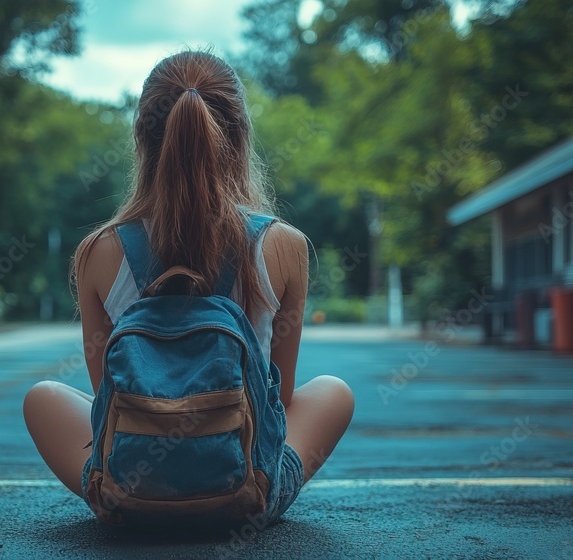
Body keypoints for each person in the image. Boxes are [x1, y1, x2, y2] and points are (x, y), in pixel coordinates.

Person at [23, 50, 354, 524]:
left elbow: (108, 404)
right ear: (240, 138)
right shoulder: (284, 245)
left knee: (42, 397)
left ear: (142, 138)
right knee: (333, 391)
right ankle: (232, 495)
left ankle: (142, 501)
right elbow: (276, 404)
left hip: (131, 494)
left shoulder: (99, 250)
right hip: (244, 494)